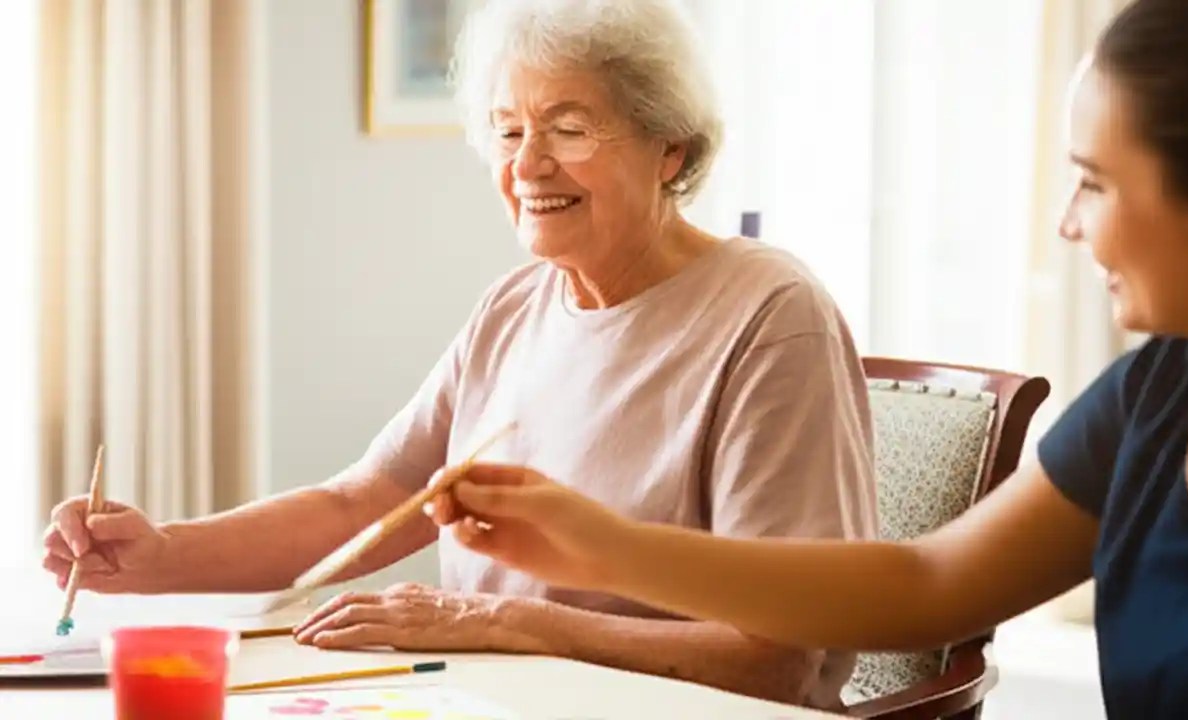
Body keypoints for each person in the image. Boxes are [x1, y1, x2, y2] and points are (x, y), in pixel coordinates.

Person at [427, 0, 1188, 716]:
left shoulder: (768, 307)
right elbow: (922, 584)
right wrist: (598, 545)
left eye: (1094, 183)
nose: (1068, 223)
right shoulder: (1161, 395)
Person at [40, 0, 877, 709]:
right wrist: (161, 555)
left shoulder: (770, 317)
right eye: (509, 130)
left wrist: (503, 626)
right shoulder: (514, 308)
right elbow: (366, 501)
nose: (529, 163)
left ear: (673, 151)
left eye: (570, 127)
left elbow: (781, 658)